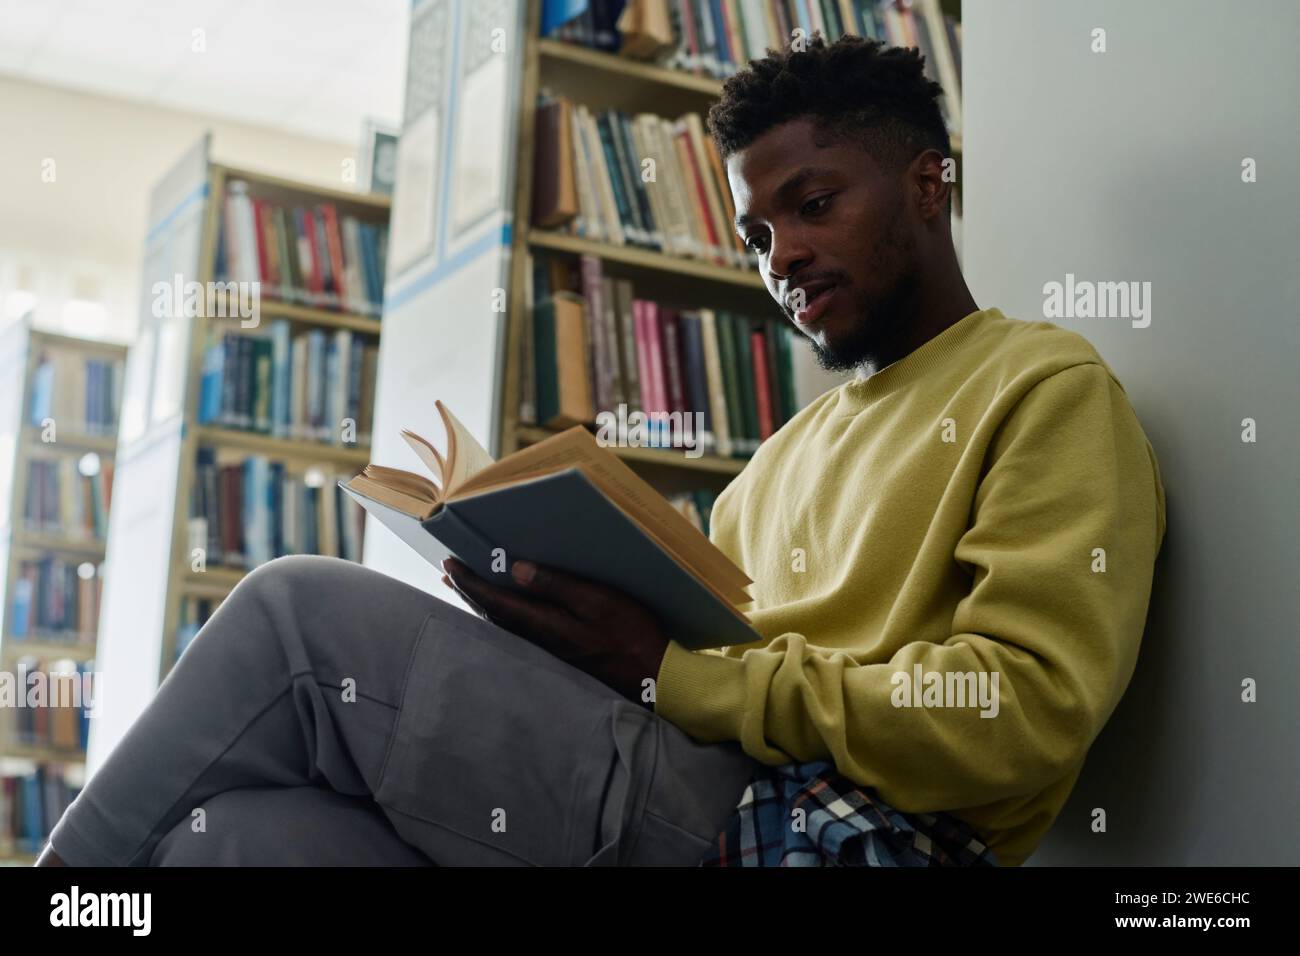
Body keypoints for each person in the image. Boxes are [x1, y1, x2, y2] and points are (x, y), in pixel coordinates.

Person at [37, 34, 1164, 868]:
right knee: (227, 840)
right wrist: (560, 632)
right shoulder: (780, 458)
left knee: (295, 615)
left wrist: (671, 674)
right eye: (758, 235)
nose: (784, 256)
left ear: (927, 184)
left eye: (813, 203)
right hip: (695, 773)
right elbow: (698, 669)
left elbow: (1016, 711)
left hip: (836, 830)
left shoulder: (1044, 389)